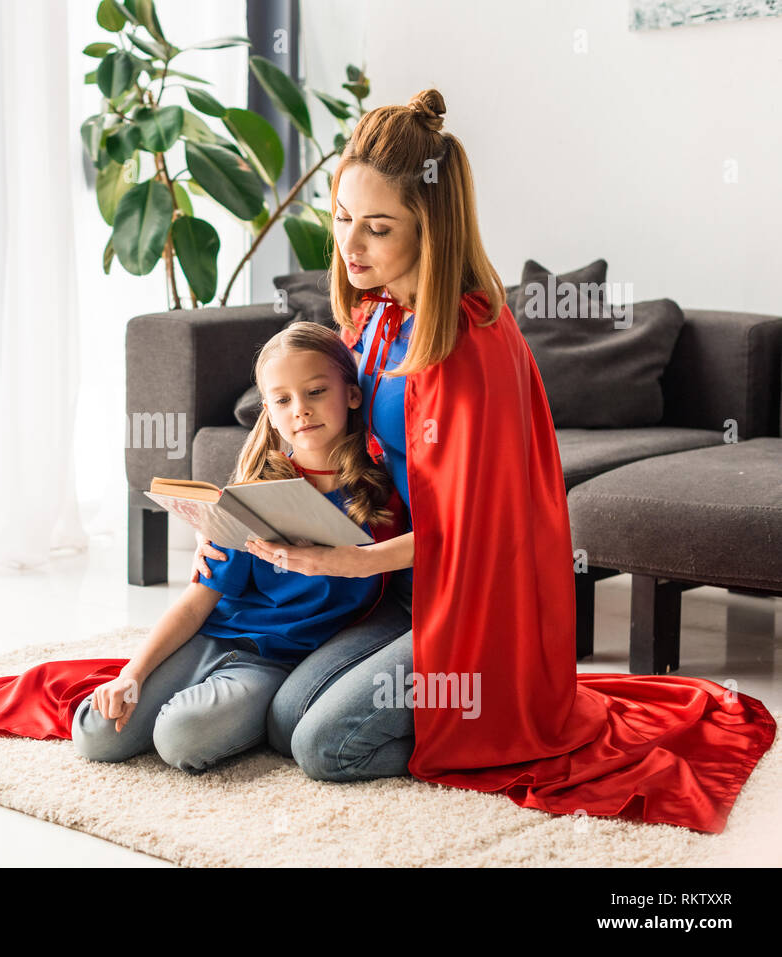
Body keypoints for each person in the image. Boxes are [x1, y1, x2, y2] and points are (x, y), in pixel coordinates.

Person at [188, 88, 774, 831]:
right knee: (283, 717)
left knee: (322, 745)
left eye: (377, 227)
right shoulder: (376, 319)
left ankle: (459, 720)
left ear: (430, 226)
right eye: (340, 219)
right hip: (402, 589)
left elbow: (481, 533)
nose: (350, 246)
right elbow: (322, 428)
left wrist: (351, 563)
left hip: (471, 603)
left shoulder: (466, 344)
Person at [69, 322, 407, 772]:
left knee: (179, 737)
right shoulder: (256, 489)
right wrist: (133, 673)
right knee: (96, 734)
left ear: (351, 394)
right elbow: (198, 601)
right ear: (268, 410)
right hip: (212, 637)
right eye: (283, 400)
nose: (301, 410)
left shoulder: (381, 493)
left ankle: (230, 717)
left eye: (315, 392)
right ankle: (202, 707)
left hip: (277, 664)